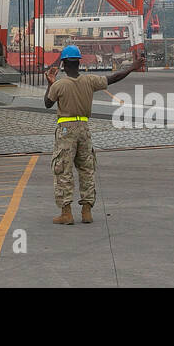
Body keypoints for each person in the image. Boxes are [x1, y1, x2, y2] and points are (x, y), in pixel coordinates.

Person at [44, 45, 143, 226]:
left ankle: (66, 213)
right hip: (84, 128)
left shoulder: (59, 85)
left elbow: (47, 104)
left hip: (66, 129)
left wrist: (50, 82)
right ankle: (86, 211)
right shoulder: (90, 81)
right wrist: (131, 67)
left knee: (63, 169)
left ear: (64, 64)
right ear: (79, 63)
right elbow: (113, 78)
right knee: (86, 169)